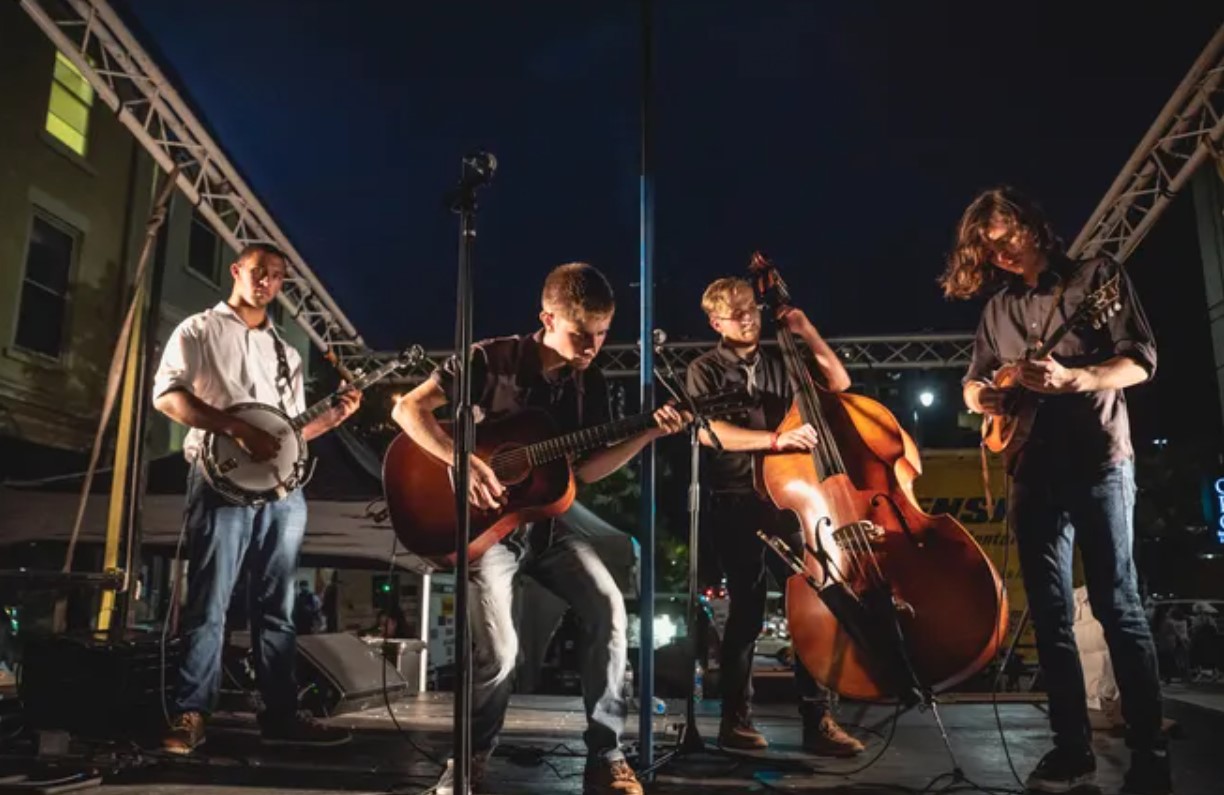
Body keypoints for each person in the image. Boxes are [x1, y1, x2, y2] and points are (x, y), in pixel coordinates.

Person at [392, 262, 686, 795]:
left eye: (602, 333)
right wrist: (459, 458)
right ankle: (471, 758)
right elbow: (407, 410)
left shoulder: (587, 382)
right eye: (582, 334)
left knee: (608, 607)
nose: (594, 346)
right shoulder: (489, 358)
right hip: (487, 531)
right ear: (547, 318)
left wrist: (645, 436)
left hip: (548, 527)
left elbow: (584, 473)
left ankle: (607, 756)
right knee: (501, 654)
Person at [942, 186, 1169, 794]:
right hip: (1031, 468)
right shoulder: (998, 309)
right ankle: (1072, 749)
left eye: (1006, 238)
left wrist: (1077, 378)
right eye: (989, 249)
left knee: (1117, 605)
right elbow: (973, 381)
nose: (1001, 254)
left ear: (1032, 224)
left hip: (1098, 462)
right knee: (1048, 615)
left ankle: (1148, 745)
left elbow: (1141, 360)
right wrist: (982, 397)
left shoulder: (1098, 277)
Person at [153, 243, 361, 754]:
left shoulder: (286, 353)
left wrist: (330, 419)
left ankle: (281, 714)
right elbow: (167, 396)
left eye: (276, 276)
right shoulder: (198, 330)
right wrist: (235, 429)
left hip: (281, 492)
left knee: (279, 608)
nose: (266, 281)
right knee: (210, 602)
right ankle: (191, 713)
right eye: (258, 271)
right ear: (236, 271)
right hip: (219, 482)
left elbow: (286, 434)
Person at [684, 277, 864, 757]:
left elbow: (840, 384)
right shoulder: (703, 369)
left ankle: (818, 718)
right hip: (735, 499)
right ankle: (734, 720)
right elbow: (708, 432)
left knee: (816, 604)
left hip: (792, 500)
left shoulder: (783, 358)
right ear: (716, 321)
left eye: (753, 310)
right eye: (738, 313)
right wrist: (775, 441)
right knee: (747, 613)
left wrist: (806, 331)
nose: (750, 319)